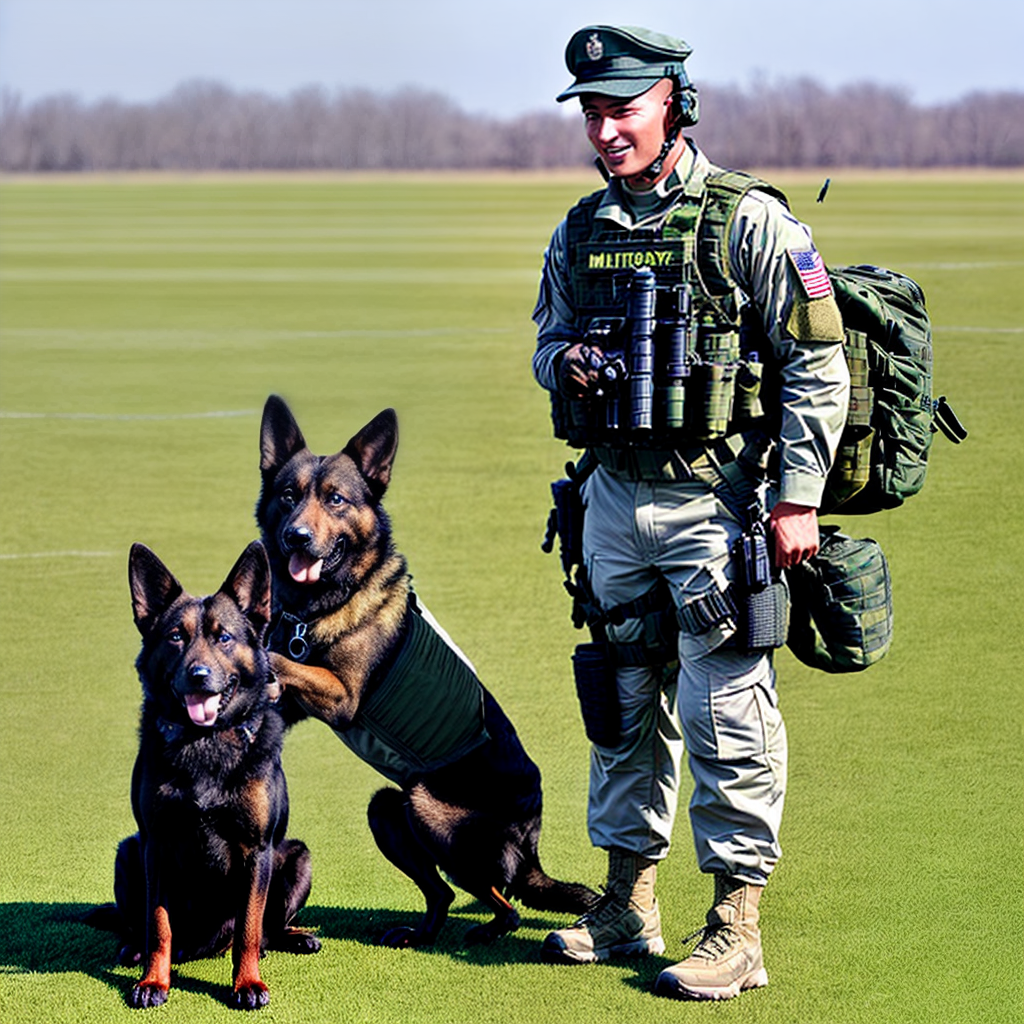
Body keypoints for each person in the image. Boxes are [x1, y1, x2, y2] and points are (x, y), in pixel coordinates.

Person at [532, 26, 850, 1001]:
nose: (603, 126)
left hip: (721, 502)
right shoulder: (580, 229)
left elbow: (817, 361)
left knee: (725, 711)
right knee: (621, 707)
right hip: (614, 500)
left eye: (620, 106)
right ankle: (628, 903)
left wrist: (797, 495)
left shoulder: (748, 222)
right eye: (589, 109)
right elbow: (545, 337)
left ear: (671, 99)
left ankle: (735, 930)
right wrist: (568, 362)